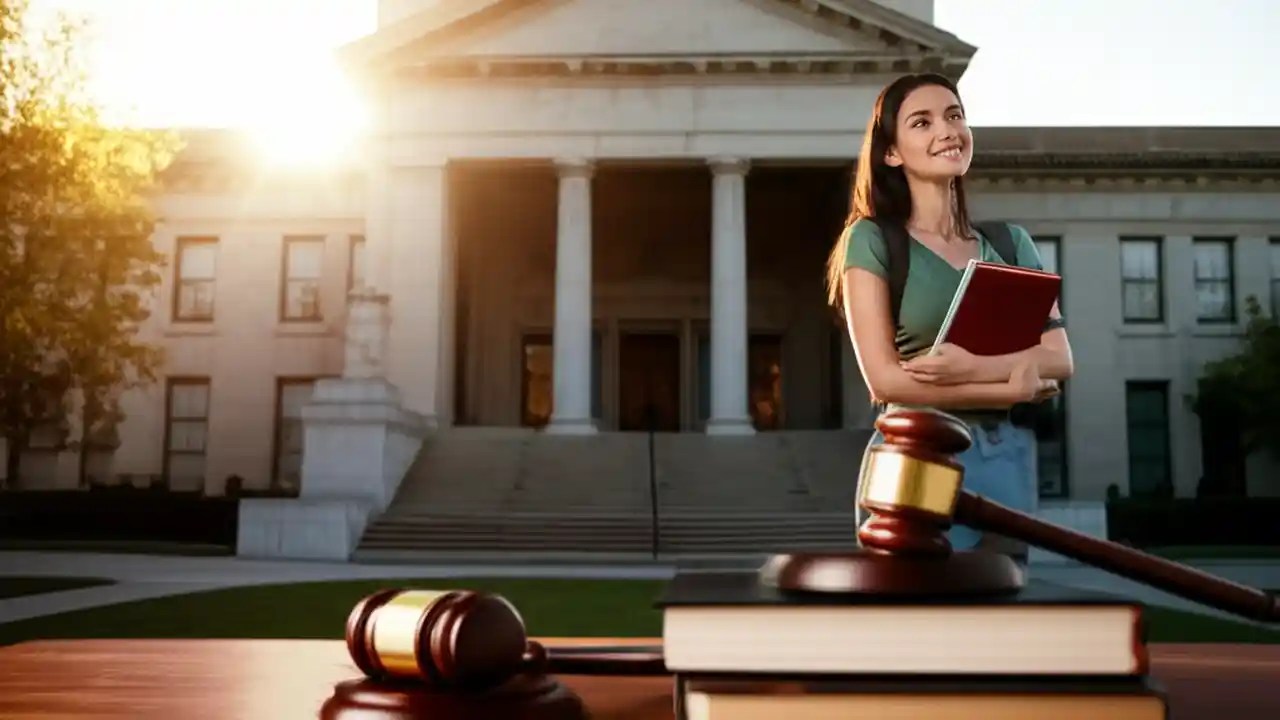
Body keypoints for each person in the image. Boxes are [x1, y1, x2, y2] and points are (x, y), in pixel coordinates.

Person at [825, 72, 1074, 563]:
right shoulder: (872, 241)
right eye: (922, 122)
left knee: (998, 614)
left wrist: (971, 369)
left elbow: (1060, 357)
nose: (947, 131)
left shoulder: (1011, 244)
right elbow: (886, 381)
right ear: (892, 152)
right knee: (916, 617)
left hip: (1006, 455)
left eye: (955, 115)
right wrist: (1009, 387)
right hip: (917, 451)